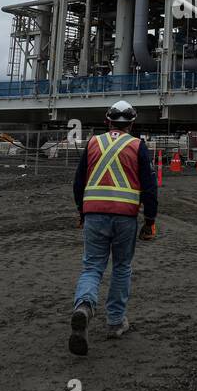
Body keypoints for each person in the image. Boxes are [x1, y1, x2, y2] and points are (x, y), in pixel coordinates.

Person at [69, 100, 157, 356]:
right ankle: (115, 322)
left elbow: (78, 181)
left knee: (92, 266)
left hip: (94, 214)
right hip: (125, 217)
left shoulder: (93, 143)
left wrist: (81, 211)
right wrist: (150, 220)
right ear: (132, 123)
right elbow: (150, 187)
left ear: (107, 121)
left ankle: (84, 306)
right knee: (121, 267)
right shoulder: (137, 145)